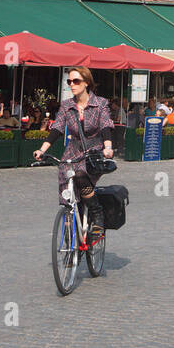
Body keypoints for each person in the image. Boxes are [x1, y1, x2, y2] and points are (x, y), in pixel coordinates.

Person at [33, 67, 114, 238]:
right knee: (66, 186)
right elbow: (56, 129)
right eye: (69, 81)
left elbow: (106, 126)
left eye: (76, 81)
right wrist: (42, 150)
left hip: (93, 151)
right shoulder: (67, 105)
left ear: (86, 83)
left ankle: (96, 211)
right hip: (72, 150)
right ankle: (69, 233)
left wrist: (108, 147)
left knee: (80, 175)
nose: (71, 84)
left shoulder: (100, 103)